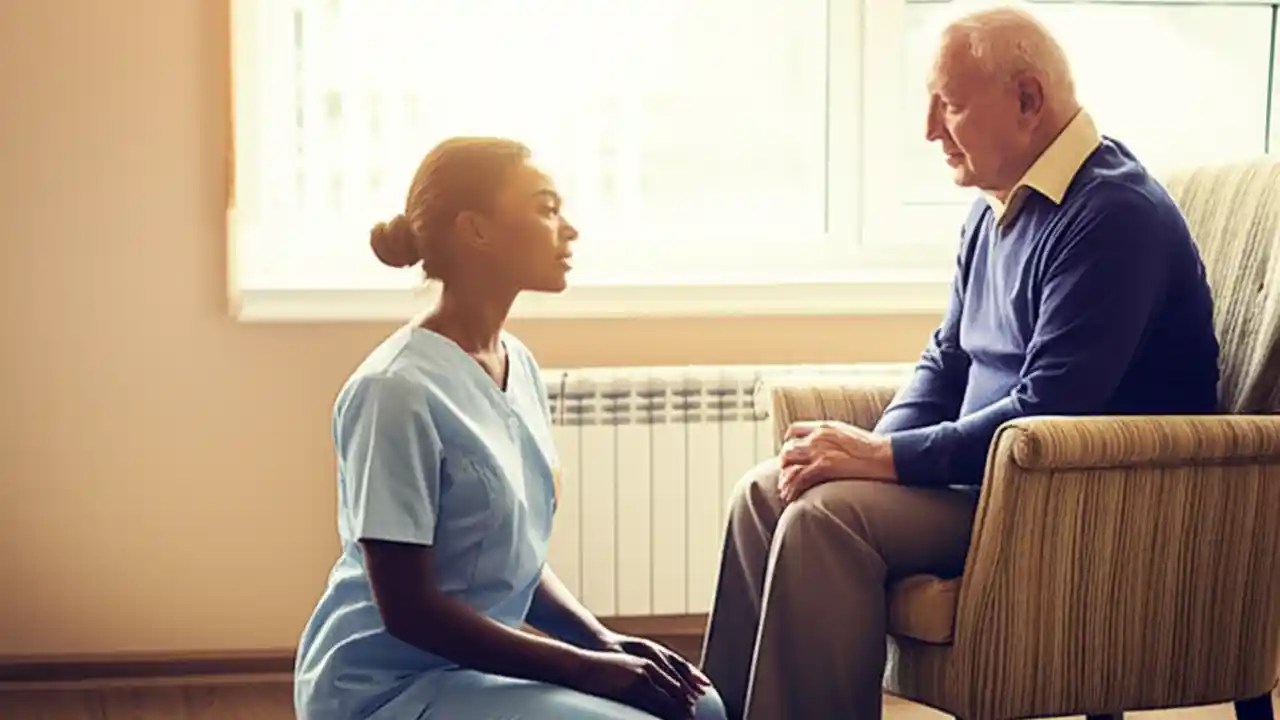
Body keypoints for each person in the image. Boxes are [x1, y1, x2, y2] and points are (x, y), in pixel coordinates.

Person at [700, 5, 1221, 720]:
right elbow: (948, 358)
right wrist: (869, 449)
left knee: (827, 520)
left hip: (1077, 499)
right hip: (989, 478)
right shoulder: (994, 206)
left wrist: (881, 460)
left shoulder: (1113, 214)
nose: (928, 131)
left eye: (947, 104)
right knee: (768, 493)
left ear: (1028, 100)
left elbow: (1049, 410)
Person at [294, 137, 727, 720]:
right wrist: (584, 668)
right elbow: (408, 610)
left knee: (702, 709)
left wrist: (602, 640)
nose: (568, 229)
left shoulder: (514, 363)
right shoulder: (394, 391)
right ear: (476, 230)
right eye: (546, 208)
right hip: (386, 686)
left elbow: (513, 558)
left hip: (479, 669)